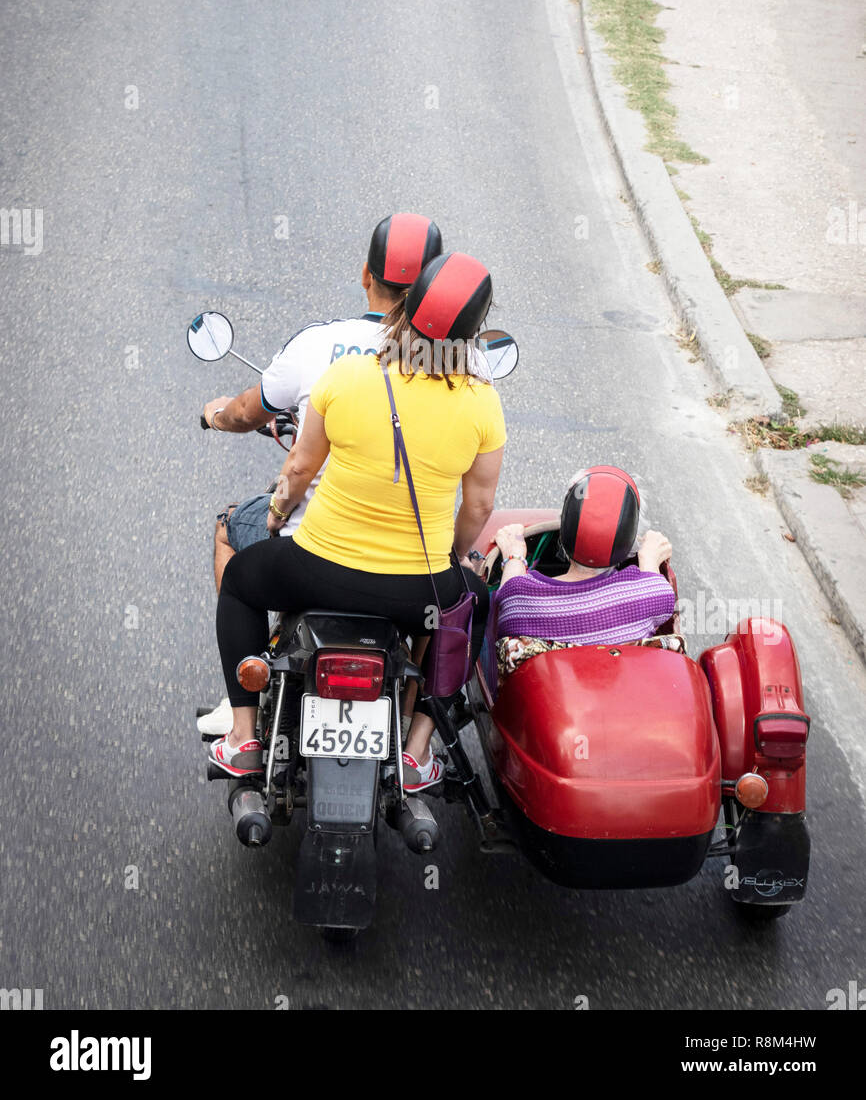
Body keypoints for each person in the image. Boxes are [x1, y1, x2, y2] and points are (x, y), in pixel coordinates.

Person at [210, 252, 506, 791]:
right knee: (475, 604)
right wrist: (452, 558)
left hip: (319, 568)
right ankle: (417, 752)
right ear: (475, 331)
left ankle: (245, 736)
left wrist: (276, 518)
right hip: (419, 591)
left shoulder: (346, 376)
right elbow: (480, 507)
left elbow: (299, 468)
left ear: (407, 304)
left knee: (239, 582)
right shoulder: (483, 403)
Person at [196, 214, 443, 739]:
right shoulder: (457, 365)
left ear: (365, 275)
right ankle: (414, 726)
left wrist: (219, 417)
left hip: (317, 550)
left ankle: (243, 712)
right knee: (461, 598)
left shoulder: (321, 349)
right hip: (415, 567)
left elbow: (283, 449)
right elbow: (479, 501)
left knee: (230, 539)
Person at [492, 466, 678, 678]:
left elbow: (506, 592)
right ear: (630, 542)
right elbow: (653, 585)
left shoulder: (520, 597)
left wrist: (514, 555)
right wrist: (649, 558)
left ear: (563, 533)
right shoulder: (651, 595)